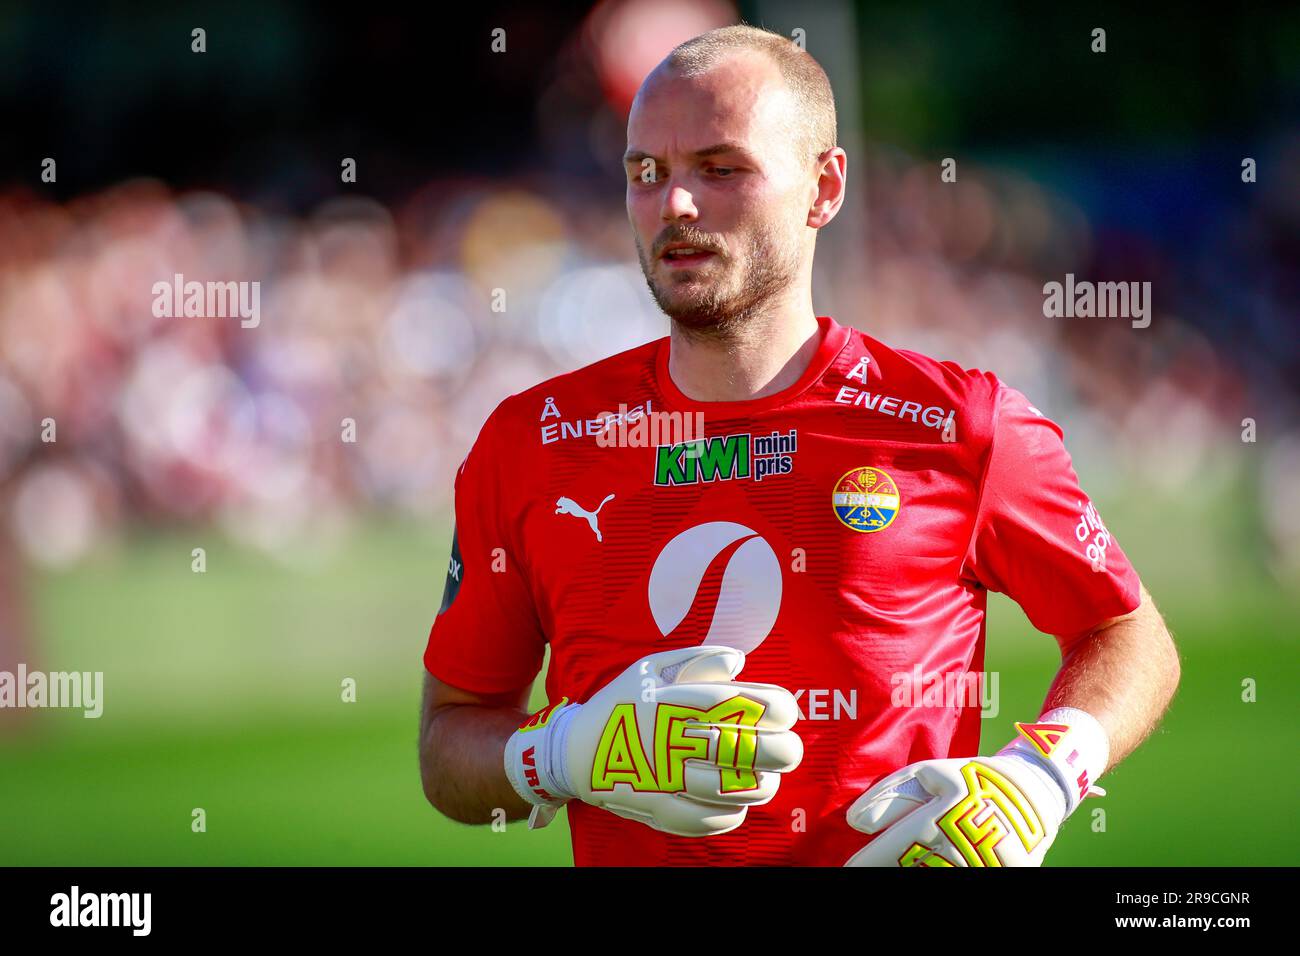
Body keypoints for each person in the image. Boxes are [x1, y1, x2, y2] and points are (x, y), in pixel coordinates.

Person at [417, 23, 1180, 866]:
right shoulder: (530, 444)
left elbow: (1128, 636)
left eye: (721, 168)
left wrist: (1041, 776)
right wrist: (558, 754)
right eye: (647, 172)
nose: (674, 204)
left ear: (824, 188)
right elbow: (450, 743)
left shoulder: (963, 425)